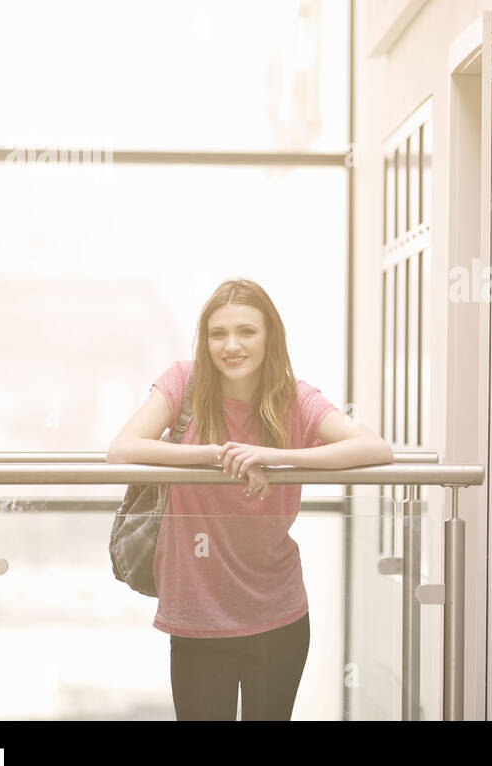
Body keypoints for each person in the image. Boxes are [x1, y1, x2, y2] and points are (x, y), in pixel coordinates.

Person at [107, 278, 393, 720]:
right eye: (218, 333)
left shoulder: (294, 398)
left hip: (279, 615)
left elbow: (376, 448)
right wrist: (213, 456)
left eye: (246, 331)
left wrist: (272, 456)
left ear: (269, 337)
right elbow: (123, 448)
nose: (231, 345)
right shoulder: (183, 382)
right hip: (196, 614)